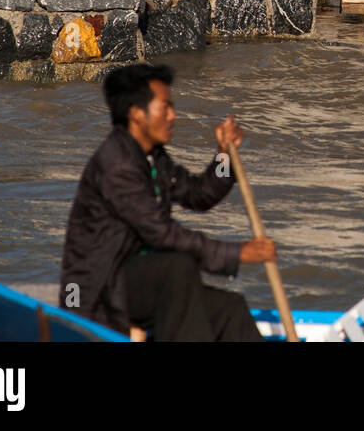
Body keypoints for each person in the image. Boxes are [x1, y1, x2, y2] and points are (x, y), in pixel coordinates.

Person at [60, 63, 274, 341]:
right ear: (136, 114)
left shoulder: (154, 158)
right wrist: (236, 253)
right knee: (176, 267)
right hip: (98, 291)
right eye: (166, 108)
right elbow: (161, 234)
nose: (173, 116)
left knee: (228, 309)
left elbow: (199, 195)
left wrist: (223, 156)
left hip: (136, 282)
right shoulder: (118, 164)